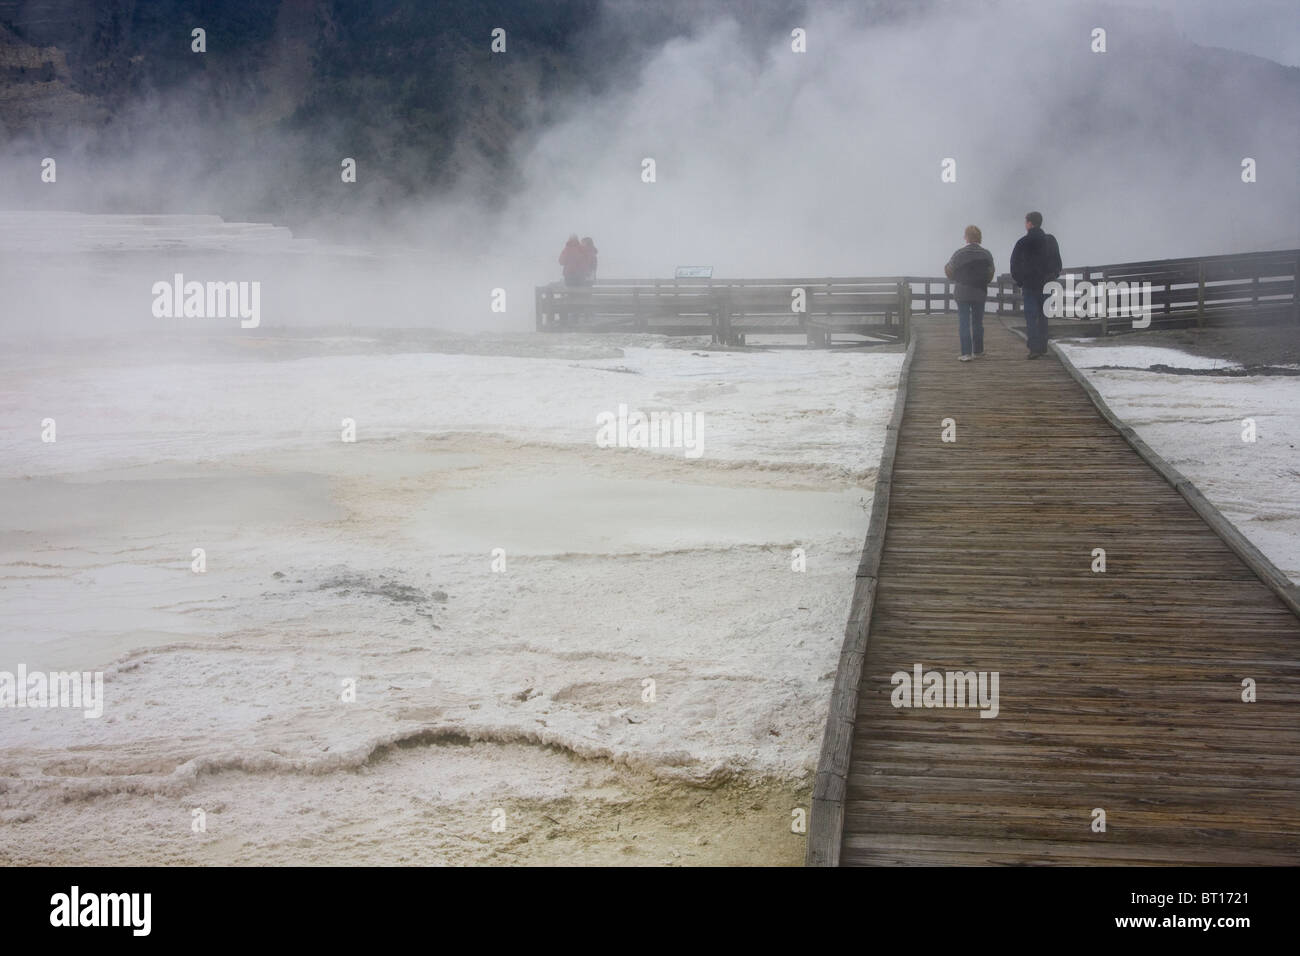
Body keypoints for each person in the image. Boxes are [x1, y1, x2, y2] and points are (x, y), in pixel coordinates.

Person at [1009, 211, 1062, 359]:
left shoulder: (1022, 242)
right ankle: (1043, 346)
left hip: (1030, 285)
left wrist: (1020, 281)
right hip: (1046, 284)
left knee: (1031, 316)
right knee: (1043, 316)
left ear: (1030, 223)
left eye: (1026, 222)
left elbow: (1014, 264)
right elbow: (1058, 263)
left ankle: (1034, 348)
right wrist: (1053, 276)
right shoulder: (1050, 240)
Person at [944, 225, 995, 361]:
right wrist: (982, 282)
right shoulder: (986, 254)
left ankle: (966, 353)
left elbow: (949, 270)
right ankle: (978, 351)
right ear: (979, 237)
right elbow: (990, 273)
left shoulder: (958, 253)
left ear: (966, 237)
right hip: (979, 292)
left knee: (964, 322)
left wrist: (956, 278)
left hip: (962, 292)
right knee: (978, 322)